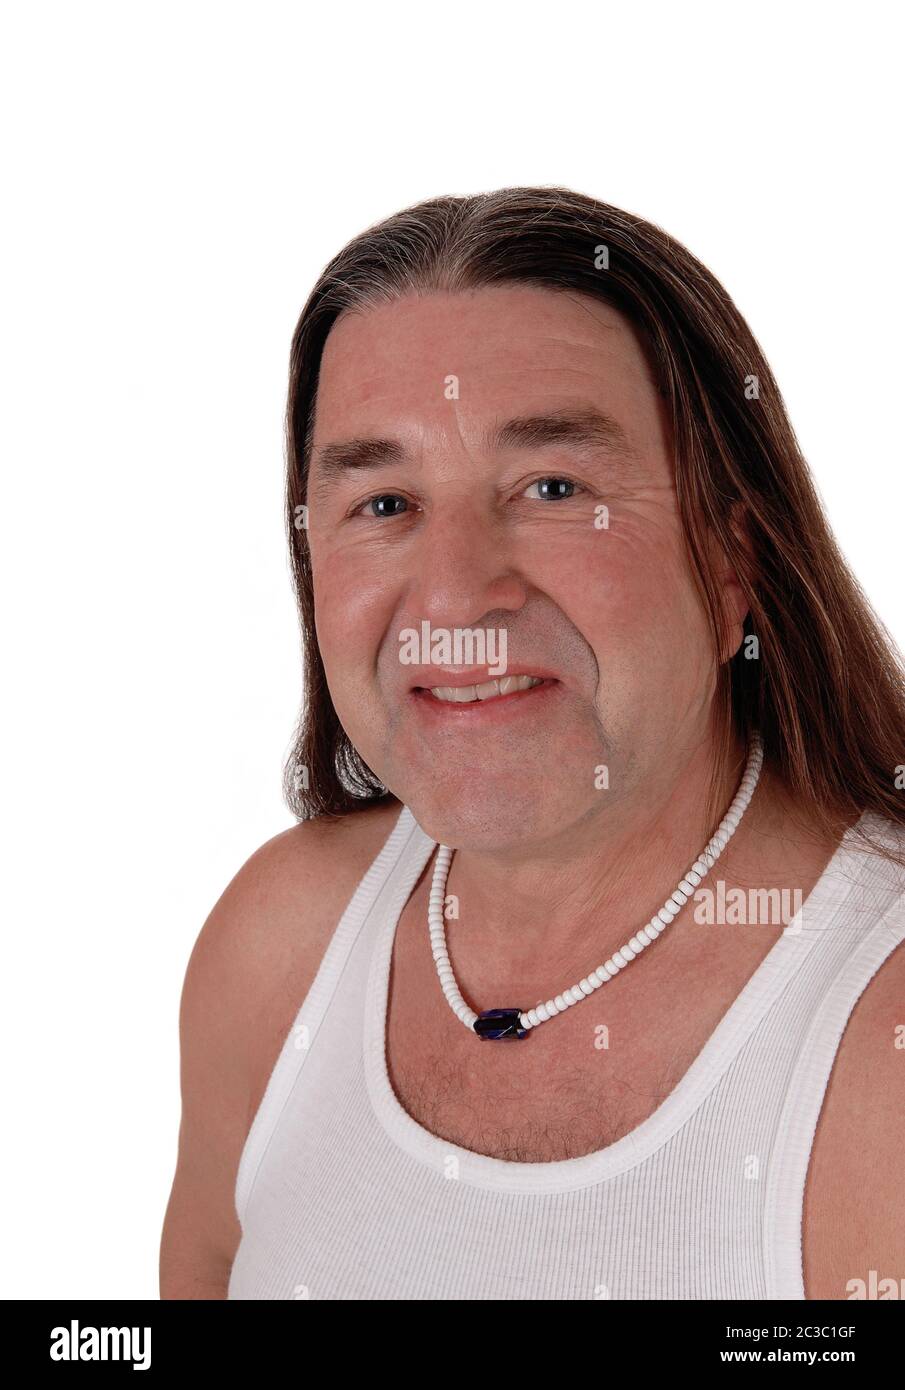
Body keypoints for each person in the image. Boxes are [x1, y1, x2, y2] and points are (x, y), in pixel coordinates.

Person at [159, 187, 905, 1301]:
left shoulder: (873, 1049)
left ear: (729, 562)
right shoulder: (278, 953)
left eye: (553, 488)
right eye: (384, 501)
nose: (457, 590)